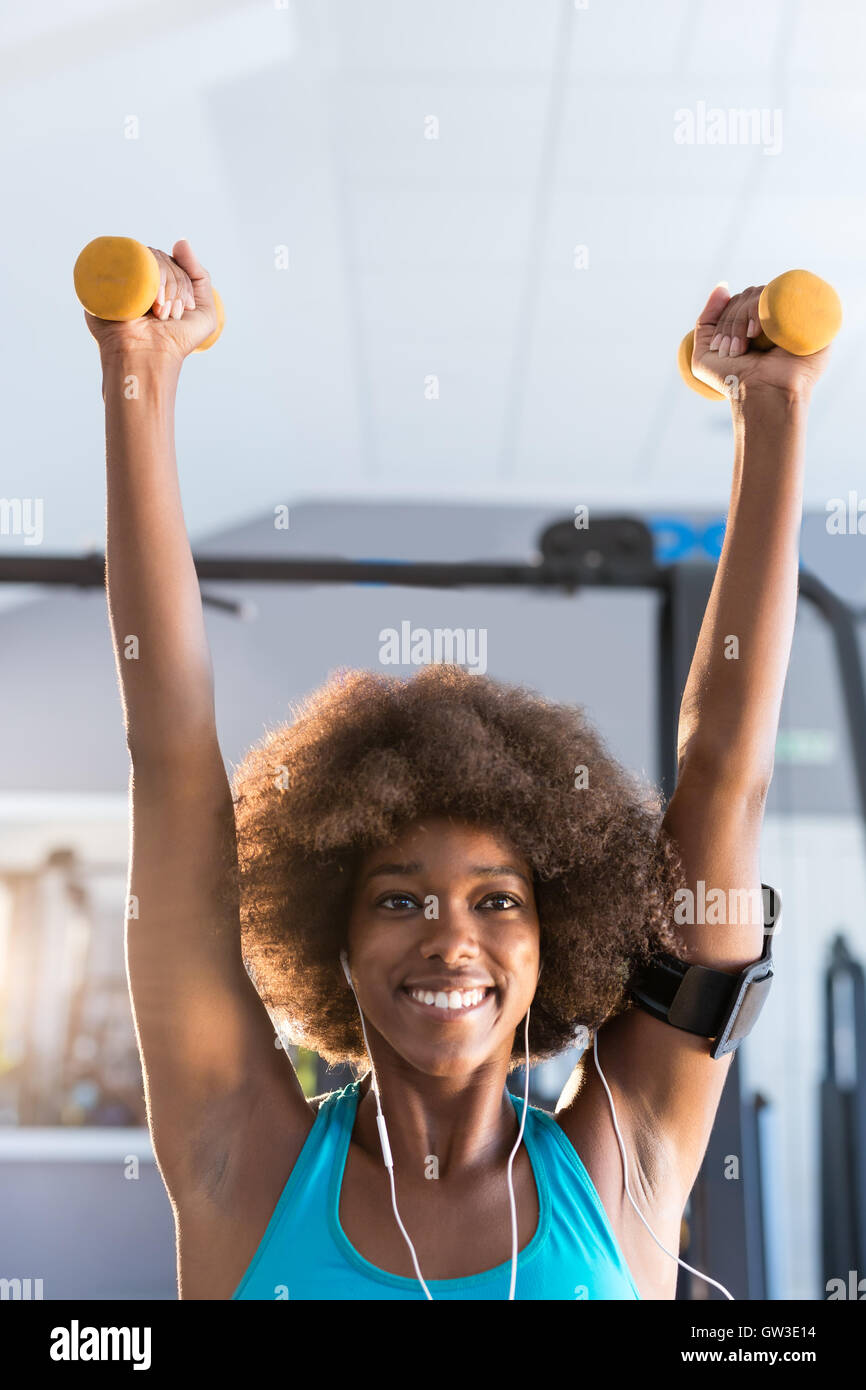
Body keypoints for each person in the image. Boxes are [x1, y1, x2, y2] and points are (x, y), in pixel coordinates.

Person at [84, 242, 830, 1299]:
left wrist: (771, 404)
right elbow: (169, 760)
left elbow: (722, 782)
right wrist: (140, 369)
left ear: (553, 937)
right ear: (330, 938)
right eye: (397, 898)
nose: (449, 937)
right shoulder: (238, 1160)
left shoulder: (627, 1163)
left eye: (496, 899)